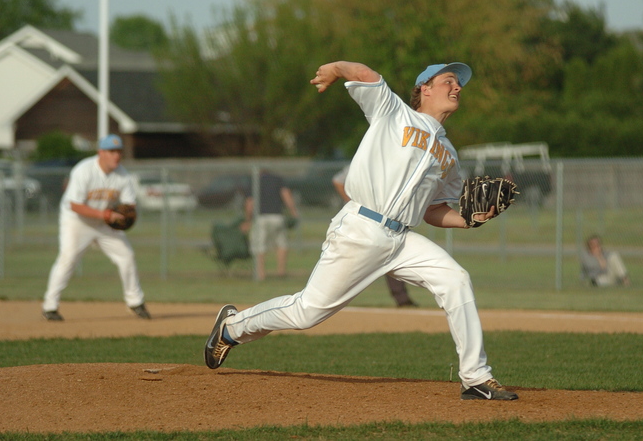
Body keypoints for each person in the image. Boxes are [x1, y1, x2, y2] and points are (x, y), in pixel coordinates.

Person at [204, 61, 518, 401]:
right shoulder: (394, 113)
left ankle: (475, 377)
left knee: (455, 279)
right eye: (448, 81)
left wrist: (470, 220)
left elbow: (433, 211)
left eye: (458, 84)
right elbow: (367, 75)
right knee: (308, 311)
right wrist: (335, 69)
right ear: (425, 88)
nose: (456, 88)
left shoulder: (450, 156)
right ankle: (232, 326)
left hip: (403, 239)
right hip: (362, 227)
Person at [42, 134, 150, 321]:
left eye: (118, 151)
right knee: (67, 259)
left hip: (104, 223)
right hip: (76, 221)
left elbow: (129, 205)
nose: (116, 156)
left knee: (126, 256)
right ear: (100, 152)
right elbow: (75, 205)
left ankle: (135, 302)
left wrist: (125, 215)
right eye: (111, 151)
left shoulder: (122, 175)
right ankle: (50, 306)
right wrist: (106, 214)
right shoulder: (84, 170)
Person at [332, 165, 417, 307]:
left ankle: (402, 299)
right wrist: (350, 201)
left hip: (383, 220)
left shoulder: (392, 164)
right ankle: (332, 295)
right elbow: (338, 180)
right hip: (359, 220)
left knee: (391, 255)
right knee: (347, 258)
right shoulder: (364, 160)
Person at [242, 171, 299, 281]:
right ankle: (281, 271)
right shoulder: (277, 179)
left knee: (259, 245)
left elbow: (250, 202)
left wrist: (248, 220)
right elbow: (286, 194)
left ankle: (261, 273)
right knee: (281, 244)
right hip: (277, 217)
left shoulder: (255, 181)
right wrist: (293, 211)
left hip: (261, 218)